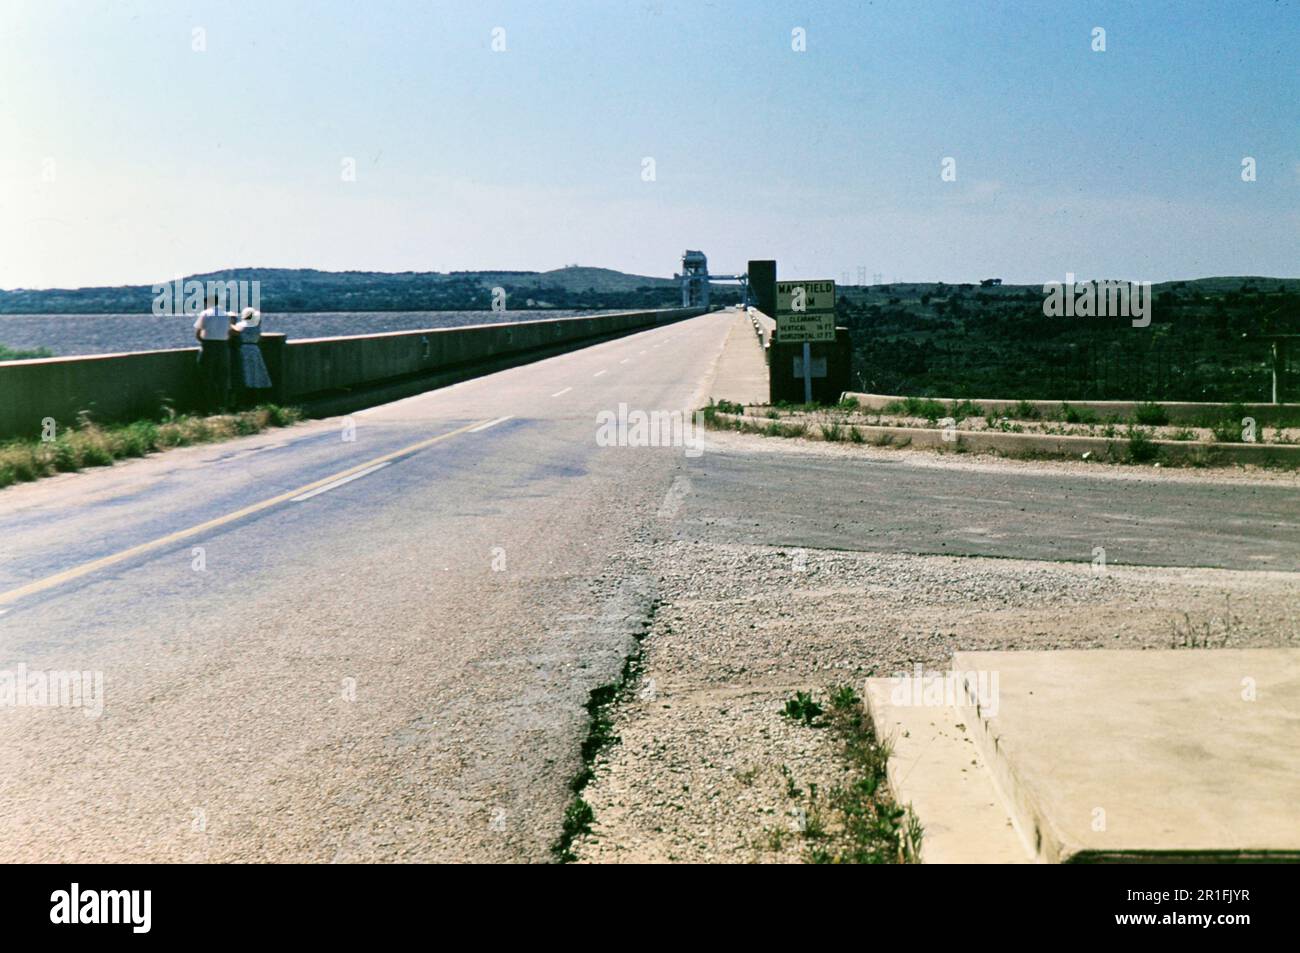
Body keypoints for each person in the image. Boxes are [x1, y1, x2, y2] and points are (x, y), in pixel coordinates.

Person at [193, 290, 232, 411]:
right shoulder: (226, 314)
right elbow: (229, 332)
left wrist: (204, 342)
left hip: (209, 346)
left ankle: (208, 406)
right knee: (222, 377)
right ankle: (223, 405)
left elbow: (198, 333)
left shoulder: (205, 313)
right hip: (223, 347)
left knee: (206, 376)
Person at [230, 307, 272, 404]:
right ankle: (257, 397)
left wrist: (230, 322)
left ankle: (244, 399)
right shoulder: (256, 325)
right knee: (255, 374)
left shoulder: (241, 325)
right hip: (255, 349)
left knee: (245, 375)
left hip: (244, 350)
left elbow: (234, 331)